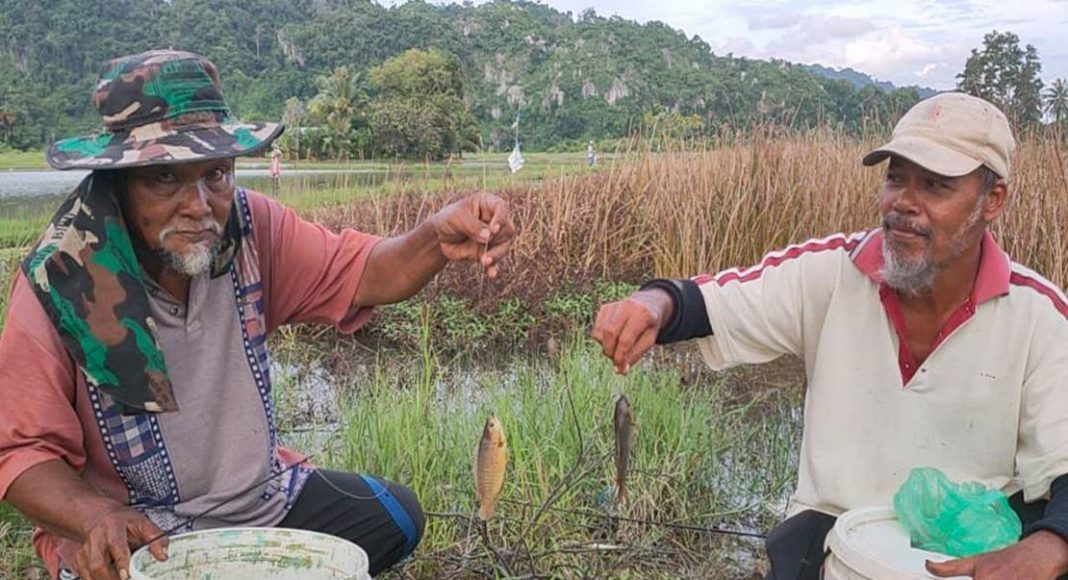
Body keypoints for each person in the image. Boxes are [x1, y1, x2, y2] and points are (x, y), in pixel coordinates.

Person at [0, 50, 515, 580]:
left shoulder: (249, 226)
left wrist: (434, 236)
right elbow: (19, 454)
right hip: (140, 533)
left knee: (395, 516)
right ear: (119, 181)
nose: (199, 204)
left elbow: (365, 272)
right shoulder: (61, 277)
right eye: (166, 178)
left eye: (216, 174)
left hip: (258, 506)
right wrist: (97, 516)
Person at [592, 92, 1068, 580]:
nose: (904, 202)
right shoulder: (831, 272)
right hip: (827, 553)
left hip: (963, 563)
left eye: (936, 185)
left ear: (993, 199)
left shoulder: (1039, 317)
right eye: (896, 177)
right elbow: (710, 303)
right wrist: (655, 304)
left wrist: (1050, 545)